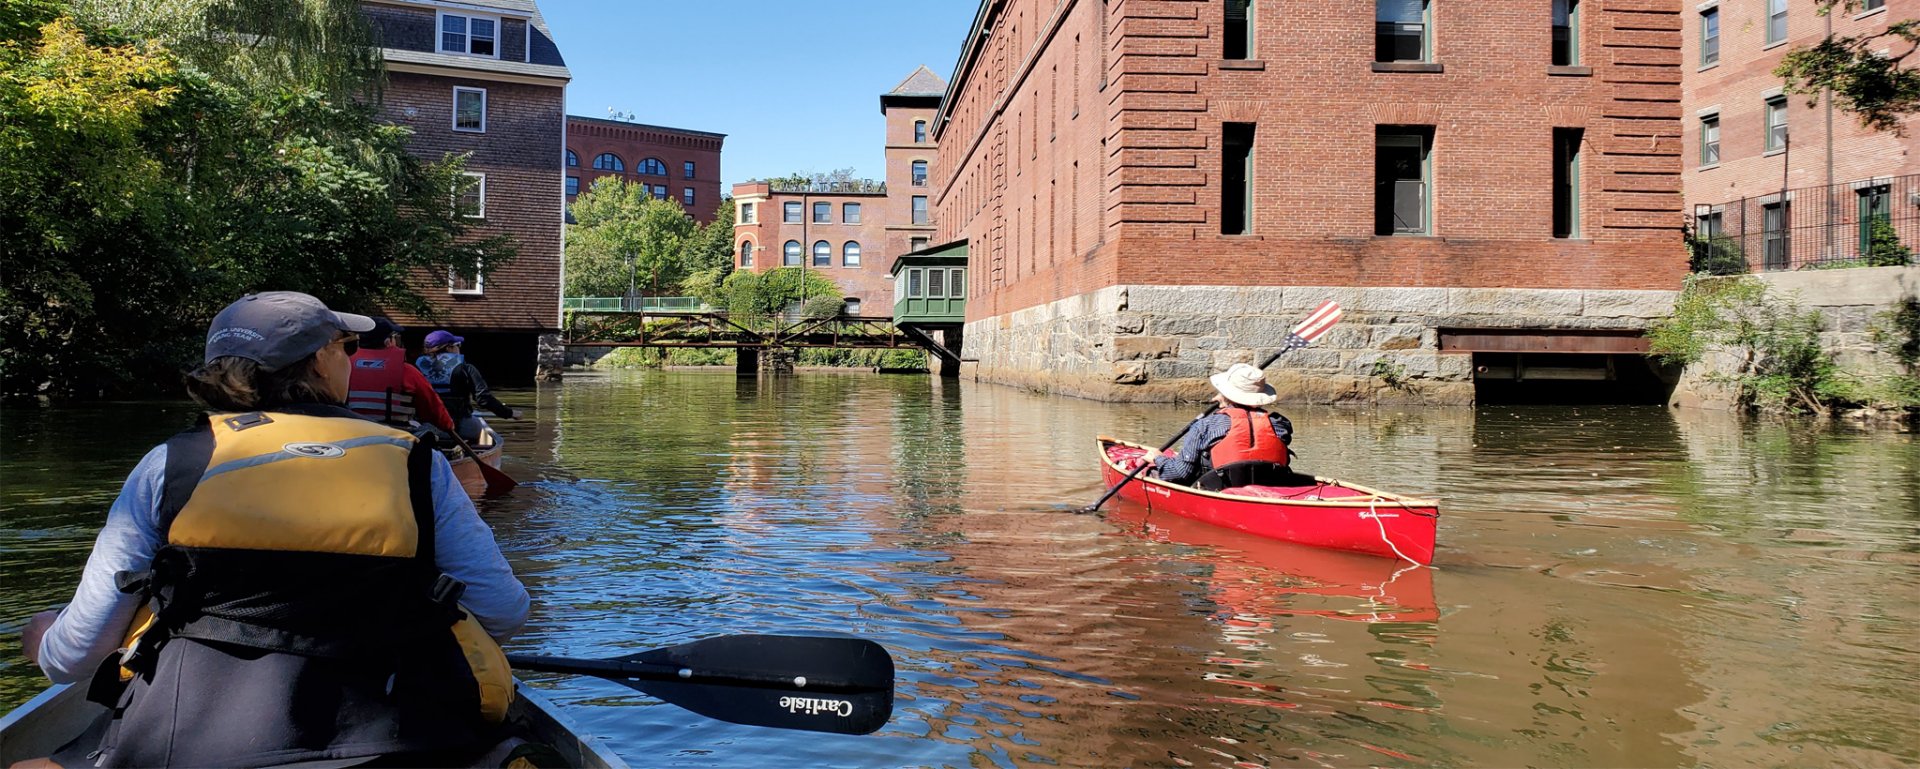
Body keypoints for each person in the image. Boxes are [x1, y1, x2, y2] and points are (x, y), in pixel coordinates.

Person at [22, 291, 529, 767]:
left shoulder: (169, 464)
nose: (351, 358)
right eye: (344, 347)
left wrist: (45, 638)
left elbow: (75, 658)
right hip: (389, 740)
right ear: (317, 361)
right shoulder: (416, 463)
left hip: (188, 743)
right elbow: (503, 609)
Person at [1129, 362, 1294, 489]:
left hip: (1220, 488)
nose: (1217, 397)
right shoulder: (1280, 425)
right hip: (1269, 486)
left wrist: (1157, 459)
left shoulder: (1206, 425)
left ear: (1227, 395)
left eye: (1221, 392)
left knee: (1153, 470)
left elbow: (1180, 473)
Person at [348, 317, 457, 435]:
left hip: (352, 435)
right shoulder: (407, 371)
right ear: (388, 342)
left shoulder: (344, 367)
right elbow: (433, 408)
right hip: (395, 439)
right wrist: (448, 426)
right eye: (395, 337)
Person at [416, 329, 520, 443]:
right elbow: (483, 399)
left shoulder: (415, 368)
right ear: (449, 348)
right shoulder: (466, 368)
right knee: (482, 430)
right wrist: (509, 413)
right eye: (457, 345)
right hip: (461, 428)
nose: (459, 348)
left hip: (426, 429)